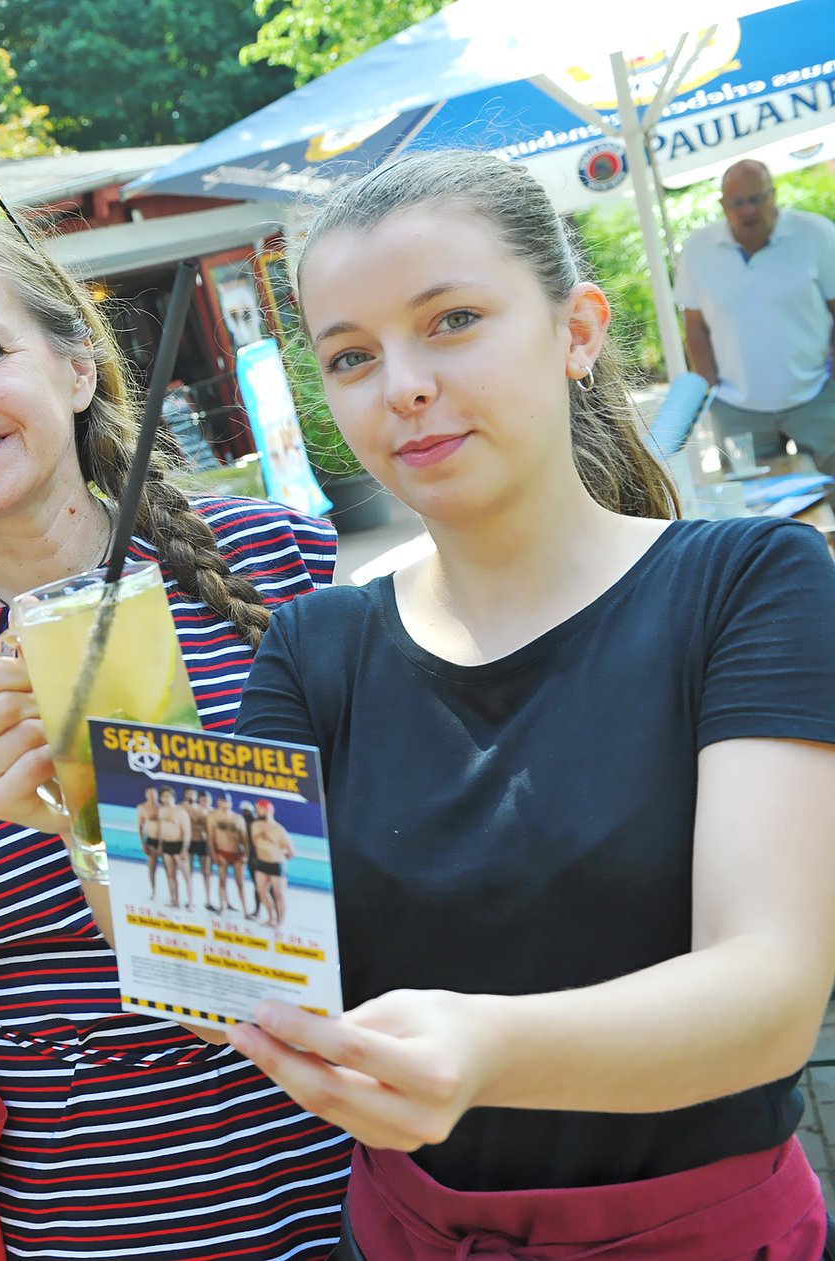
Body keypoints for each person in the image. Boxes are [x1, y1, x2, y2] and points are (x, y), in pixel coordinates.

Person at [231, 151, 835, 1258]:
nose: (400, 384)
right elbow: (241, 954)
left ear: (576, 330)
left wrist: (487, 1050)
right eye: (350, 356)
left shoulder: (749, 583)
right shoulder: (313, 647)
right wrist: (70, 802)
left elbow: (771, 992)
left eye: (451, 319)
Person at [0, 192, 349, 1258]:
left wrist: (89, 809)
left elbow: (261, 955)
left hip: (357, 1179)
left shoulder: (278, 565)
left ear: (77, 367)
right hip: (96, 1220)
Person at [678, 159, 835, 474]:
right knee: (757, 509)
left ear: (773, 195)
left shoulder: (816, 234)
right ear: (723, 205)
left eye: (755, 199)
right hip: (737, 409)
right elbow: (694, 327)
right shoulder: (697, 249)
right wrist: (711, 391)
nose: (746, 210)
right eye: (736, 203)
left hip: (816, 396)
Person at [249, 798, 292, 929]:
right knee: (261, 891)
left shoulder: (278, 829)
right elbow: (256, 843)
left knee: (279, 895)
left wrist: (278, 856)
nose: (257, 811)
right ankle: (271, 918)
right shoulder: (255, 825)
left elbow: (291, 851)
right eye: (256, 809)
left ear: (267, 810)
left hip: (277, 865)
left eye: (259, 809)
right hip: (262, 864)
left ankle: (280, 923)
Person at [206, 791, 250, 915]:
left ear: (230, 803)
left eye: (226, 802)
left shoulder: (238, 818)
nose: (224, 804)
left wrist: (246, 855)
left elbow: (244, 839)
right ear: (218, 802)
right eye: (222, 802)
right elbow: (211, 837)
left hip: (237, 854)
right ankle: (222, 907)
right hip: (222, 853)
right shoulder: (212, 817)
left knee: (240, 883)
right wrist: (213, 854)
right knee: (222, 881)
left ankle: (246, 911)